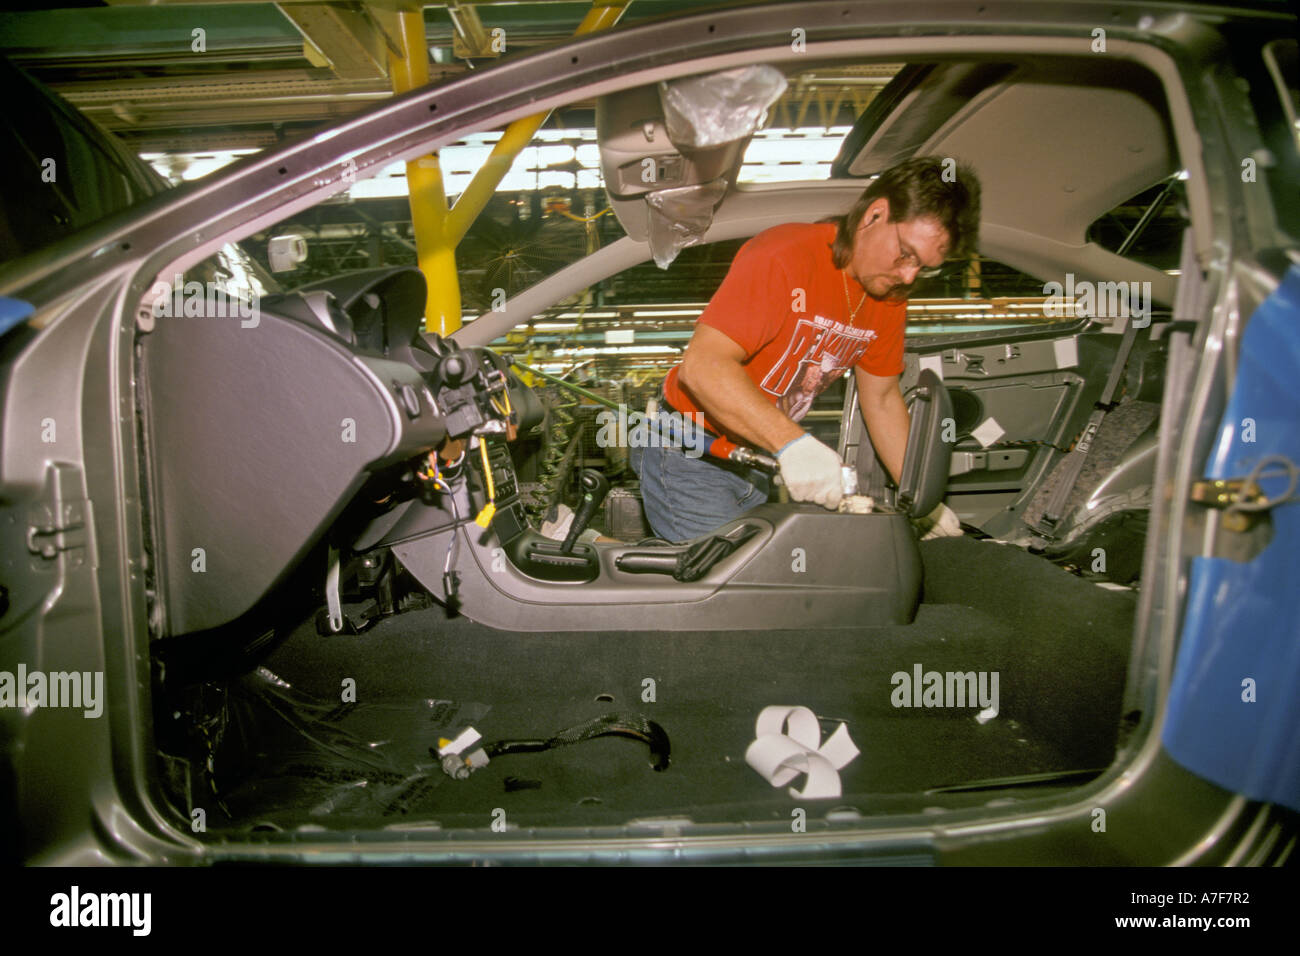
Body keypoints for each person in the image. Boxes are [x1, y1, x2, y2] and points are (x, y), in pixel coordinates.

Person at [631, 156, 980, 542]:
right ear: (875, 214)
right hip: (691, 451)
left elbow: (881, 399)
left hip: (757, 457)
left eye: (925, 267)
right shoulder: (785, 254)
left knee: (763, 577)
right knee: (732, 593)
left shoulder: (889, 297)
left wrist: (921, 498)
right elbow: (702, 367)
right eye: (906, 254)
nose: (909, 275)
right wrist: (793, 444)